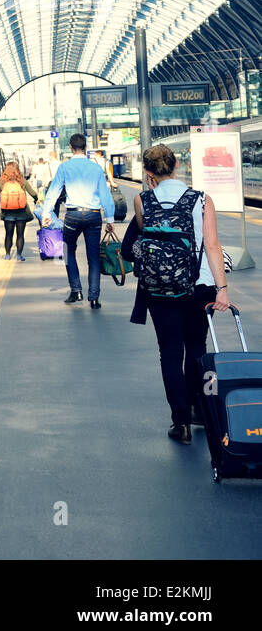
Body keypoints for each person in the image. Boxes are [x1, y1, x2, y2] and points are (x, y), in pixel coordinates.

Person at [120, 145, 231, 445]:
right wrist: (222, 289)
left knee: (169, 351)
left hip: (159, 289)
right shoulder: (201, 200)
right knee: (196, 346)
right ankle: (197, 408)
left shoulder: (141, 200)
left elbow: (145, 238)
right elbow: (212, 246)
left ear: (148, 173)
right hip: (199, 286)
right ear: (177, 165)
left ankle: (179, 421)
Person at [42, 133, 116, 308]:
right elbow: (105, 195)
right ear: (86, 146)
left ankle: (76, 291)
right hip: (94, 215)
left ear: (70, 147)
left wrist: (46, 213)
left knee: (68, 250)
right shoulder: (96, 168)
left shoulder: (64, 167)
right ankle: (94, 298)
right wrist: (110, 218)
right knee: (94, 256)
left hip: (73, 216)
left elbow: (54, 191)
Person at [0, 160, 38, 260]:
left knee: (8, 234)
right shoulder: (22, 180)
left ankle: (7, 255)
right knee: (20, 235)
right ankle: (19, 255)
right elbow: (32, 193)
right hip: (22, 212)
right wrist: (37, 199)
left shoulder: (1, 181)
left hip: (8, 213)